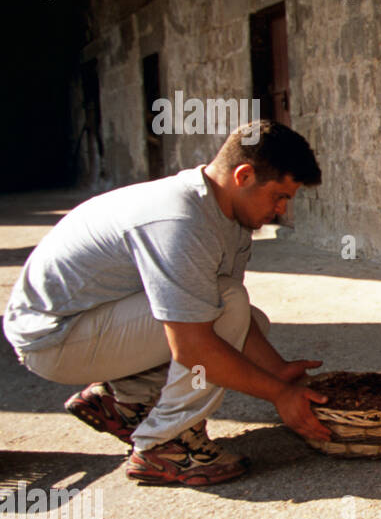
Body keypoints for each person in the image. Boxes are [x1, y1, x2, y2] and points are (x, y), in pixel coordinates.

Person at [4, 119, 333, 486]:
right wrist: (280, 395)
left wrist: (277, 369)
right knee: (224, 311)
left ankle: (125, 402)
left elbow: (223, 315)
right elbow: (195, 349)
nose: (283, 211)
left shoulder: (227, 216)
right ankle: (165, 445)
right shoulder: (179, 219)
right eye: (279, 196)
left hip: (92, 323)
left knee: (242, 316)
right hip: (54, 339)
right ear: (242, 176)